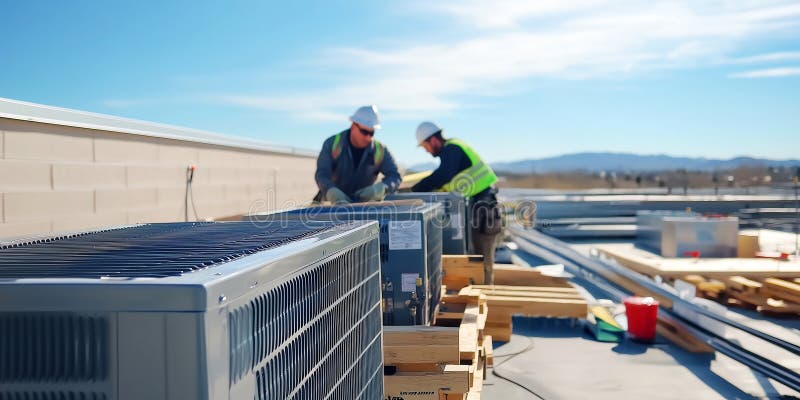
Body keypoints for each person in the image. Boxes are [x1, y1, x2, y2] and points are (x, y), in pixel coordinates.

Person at [411, 121, 502, 284]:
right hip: (479, 205)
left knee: (483, 261)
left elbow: (443, 176)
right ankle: (480, 292)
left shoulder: (452, 149)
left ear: (433, 140)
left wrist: (416, 188)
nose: (426, 150)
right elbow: (448, 181)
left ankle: (485, 297)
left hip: (485, 207)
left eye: (425, 146)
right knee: (476, 260)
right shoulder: (452, 152)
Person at [315, 105, 401, 203]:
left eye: (371, 133)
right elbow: (322, 174)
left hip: (362, 206)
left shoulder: (380, 150)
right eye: (364, 132)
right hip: (333, 204)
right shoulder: (332, 144)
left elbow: (395, 176)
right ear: (353, 126)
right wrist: (330, 191)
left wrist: (382, 188)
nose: (368, 137)